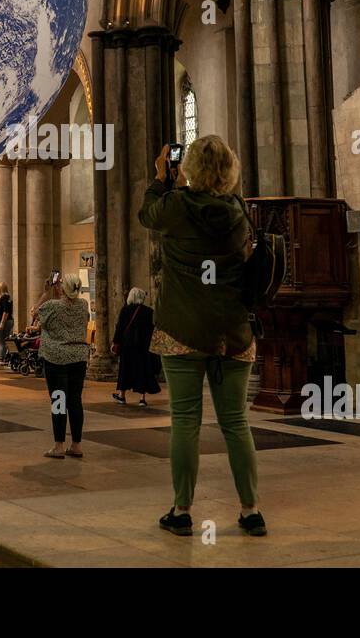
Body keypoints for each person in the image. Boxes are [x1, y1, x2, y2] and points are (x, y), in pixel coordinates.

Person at [138, 136, 265, 538]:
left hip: (183, 330)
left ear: (186, 167)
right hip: (232, 332)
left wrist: (161, 178)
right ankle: (251, 510)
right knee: (235, 422)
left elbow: (146, 215)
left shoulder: (176, 206)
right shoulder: (237, 211)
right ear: (231, 169)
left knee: (186, 422)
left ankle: (182, 510)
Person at [33, 273, 90, 459]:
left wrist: (46, 292)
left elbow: (35, 312)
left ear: (62, 288)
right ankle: (76, 444)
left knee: (59, 401)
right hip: (78, 358)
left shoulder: (52, 306)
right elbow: (70, 308)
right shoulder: (83, 306)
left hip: (56, 359)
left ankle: (58, 445)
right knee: (75, 401)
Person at [112, 287, 160, 406]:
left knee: (125, 369)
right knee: (142, 369)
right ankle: (142, 398)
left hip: (127, 346)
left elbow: (120, 328)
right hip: (143, 346)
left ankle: (122, 396)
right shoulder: (149, 311)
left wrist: (115, 342)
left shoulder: (125, 310)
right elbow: (153, 329)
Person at [0, 283, 13, 363]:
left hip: (4, 322)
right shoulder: (7, 298)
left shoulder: (5, 297)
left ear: (1, 289)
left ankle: (1, 359)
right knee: (4, 341)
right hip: (4, 321)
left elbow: (6, 312)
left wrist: (2, 323)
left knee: (2, 341)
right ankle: (5, 358)